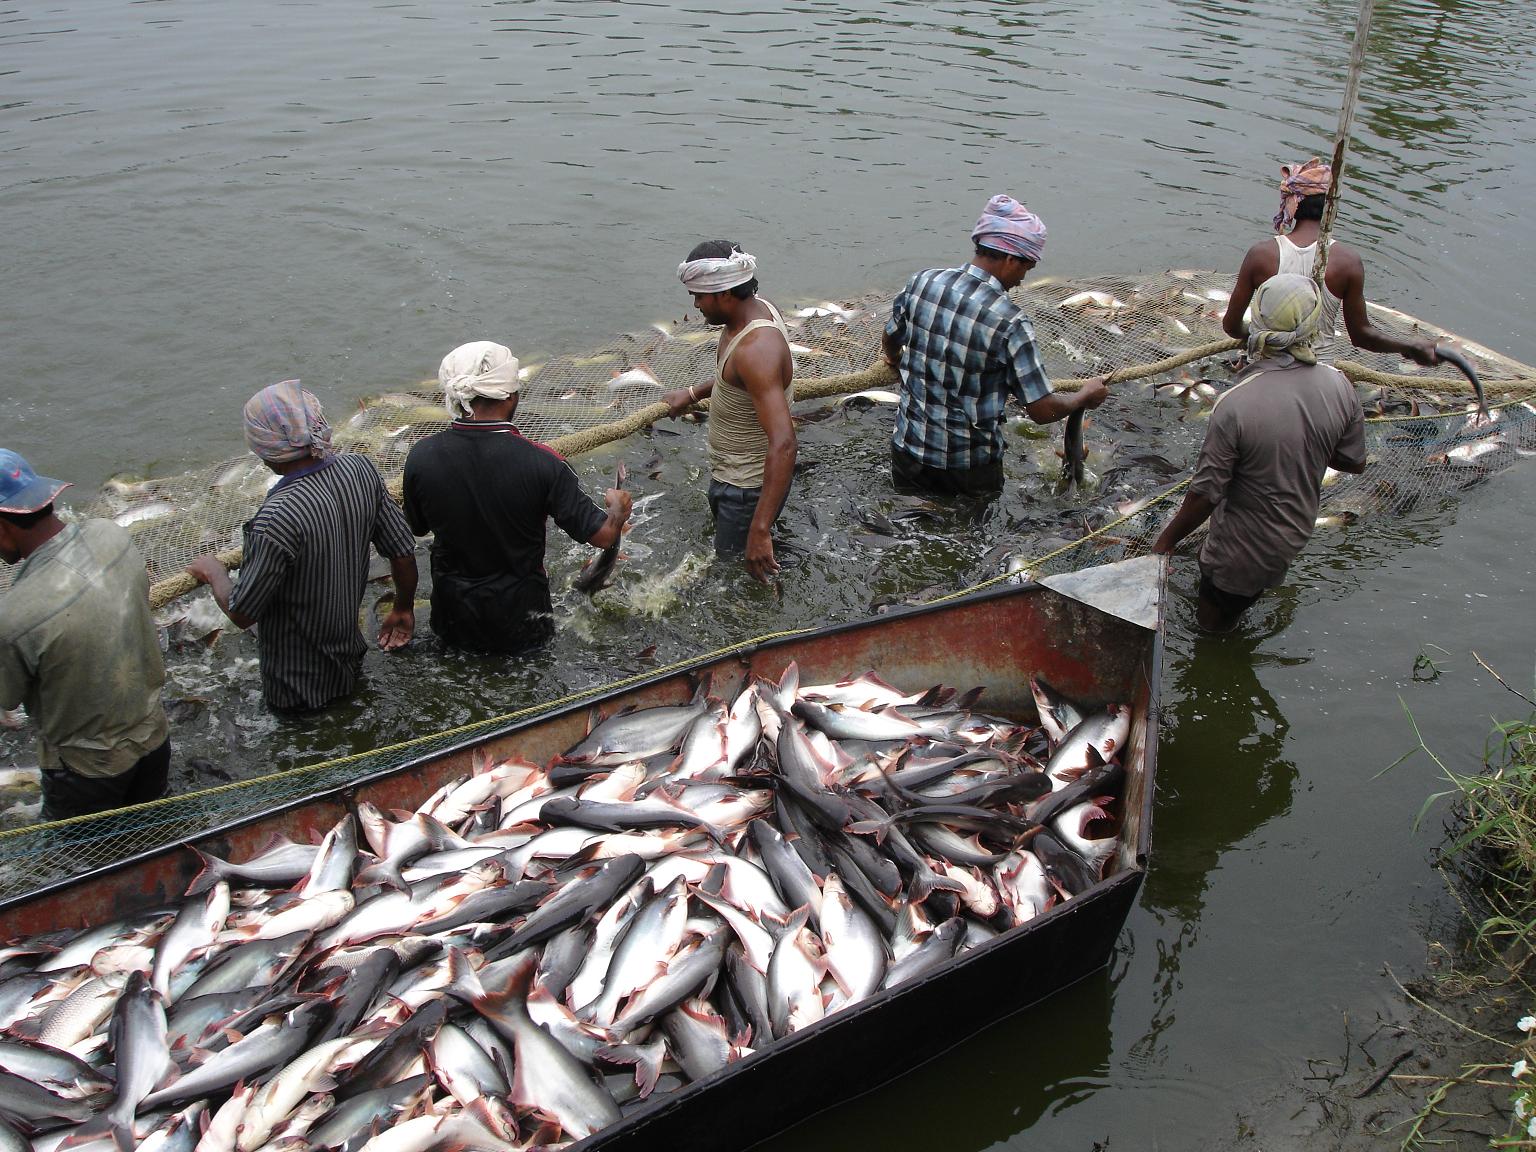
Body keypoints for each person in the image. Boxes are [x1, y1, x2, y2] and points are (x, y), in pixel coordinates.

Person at [186, 380, 418, 714]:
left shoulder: (274, 519)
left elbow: (242, 611)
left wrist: (215, 573)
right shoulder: (360, 470)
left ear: (263, 449)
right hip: (350, 660)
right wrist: (403, 608)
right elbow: (402, 551)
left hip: (294, 688)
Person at [1153, 274, 1367, 632]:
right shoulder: (1339, 383)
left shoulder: (1235, 404)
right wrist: (1303, 444)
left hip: (1239, 553)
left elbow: (1206, 495)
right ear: (1312, 325)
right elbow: (1355, 462)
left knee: (1209, 633)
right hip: (1292, 535)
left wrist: (1163, 545)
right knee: (1242, 603)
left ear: (1259, 320)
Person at [402, 341, 632, 653]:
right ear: (511, 395)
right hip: (524, 620)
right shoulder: (544, 462)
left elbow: (417, 529)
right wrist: (618, 510)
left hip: (453, 617)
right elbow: (604, 538)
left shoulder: (421, 457)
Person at [882, 194, 1109, 498]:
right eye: (1025, 269)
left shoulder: (923, 282)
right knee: (970, 536)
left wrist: (896, 361)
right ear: (1010, 259)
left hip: (907, 452)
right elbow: (1042, 411)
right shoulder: (1011, 322)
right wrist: (1082, 397)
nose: (1022, 281)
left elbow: (891, 338)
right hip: (968, 469)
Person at [0, 451, 172, 819]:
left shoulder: (15, 615)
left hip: (86, 774)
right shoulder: (111, 535)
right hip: (155, 740)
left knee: (83, 864)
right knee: (151, 829)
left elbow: (6, 698)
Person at [661, 241, 796, 583]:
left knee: (734, 579)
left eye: (699, 296)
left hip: (745, 488)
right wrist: (692, 393)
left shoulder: (757, 349)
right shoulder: (756, 311)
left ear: (724, 294)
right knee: (735, 563)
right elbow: (737, 379)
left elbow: (784, 443)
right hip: (732, 477)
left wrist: (760, 529)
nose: (694, 304)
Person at [1223, 157, 1438, 366]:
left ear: (1292, 204)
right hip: (1319, 372)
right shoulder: (1348, 261)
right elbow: (1362, 336)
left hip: (1266, 367)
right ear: (1331, 208)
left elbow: (1231, 325)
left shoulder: (1261, 254)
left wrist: (1261, 336)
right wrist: (1408, 346)